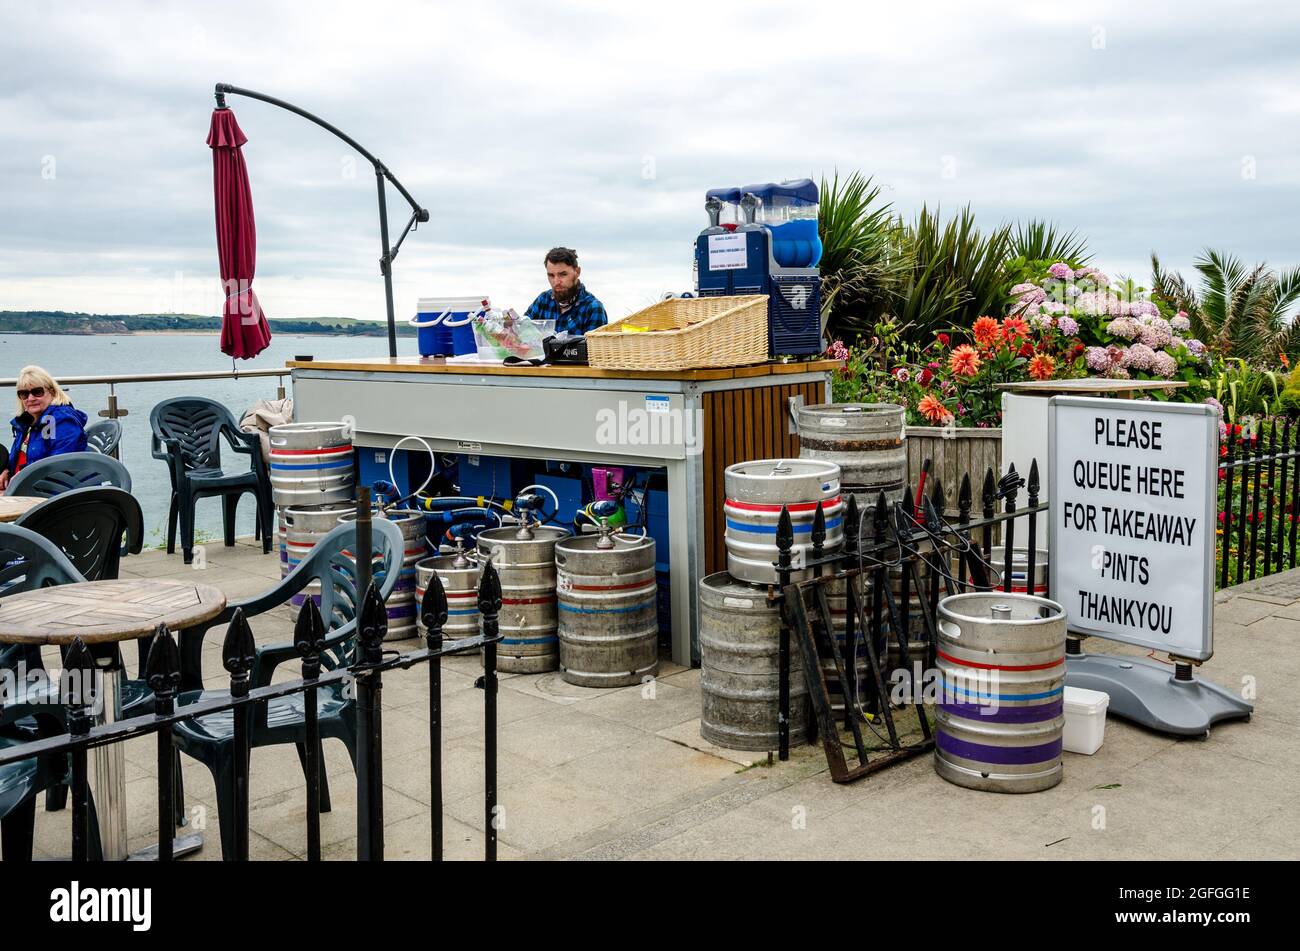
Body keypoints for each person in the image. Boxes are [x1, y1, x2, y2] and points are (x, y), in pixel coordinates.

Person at [0, 366, 88, 490]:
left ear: (52, 392)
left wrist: (24, 476)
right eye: (24, 394)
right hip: (27, 487)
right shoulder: (28, 422)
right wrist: (7, 470)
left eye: (37, 392)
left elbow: (59, 464)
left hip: (53, 494)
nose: (30, 398)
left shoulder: (59, 422)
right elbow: (22, 456)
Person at [524, 247, 608, 337]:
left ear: (577, 272)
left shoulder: (593, 308)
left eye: (563, 274)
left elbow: (595, 350)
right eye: (551, 275)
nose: (556, 282)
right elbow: (522, 335)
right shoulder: (542, 300)